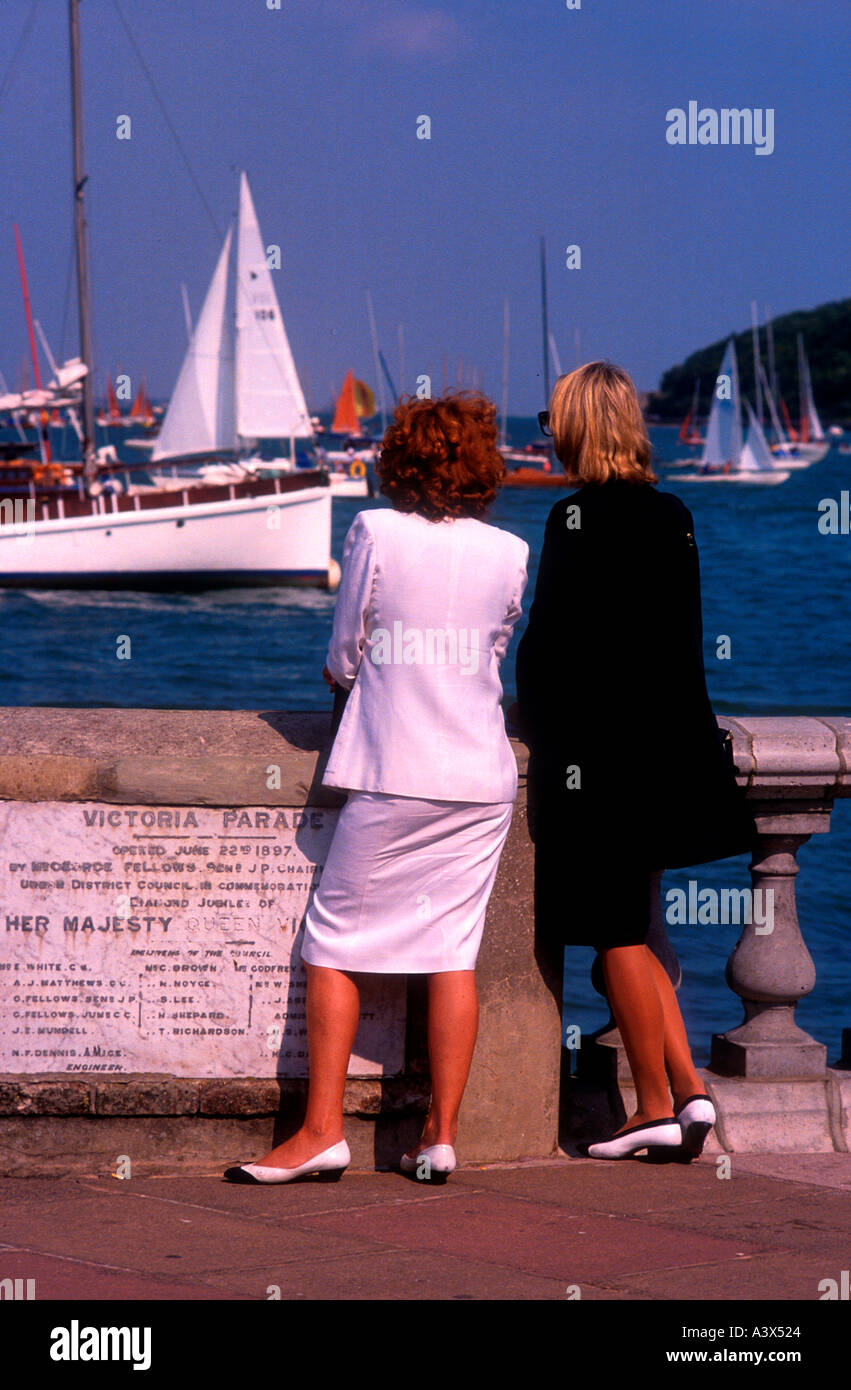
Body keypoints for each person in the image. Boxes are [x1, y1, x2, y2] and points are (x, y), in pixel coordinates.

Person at [224, 392, 528, 1185]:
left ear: (401, 460)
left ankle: (321, 1130)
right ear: (481, 467)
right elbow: (492, 648)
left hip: (397, 772)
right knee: (451, 953)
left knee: (333, 945)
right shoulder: (508, 549)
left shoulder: (374, 530)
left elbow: (343, 653)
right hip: (481, 776)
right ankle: (439, 1136)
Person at [515, 362, 755, 1161]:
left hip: (598, 759)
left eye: (553, 423)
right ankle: (688, 1092)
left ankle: (649, 1105)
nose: (547, 437)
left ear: (578, 429)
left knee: (612, 930)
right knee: (638, 927)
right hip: (666, 751)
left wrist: (532, 720)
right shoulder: (672, 513)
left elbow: (547, 651)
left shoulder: (573, 518)